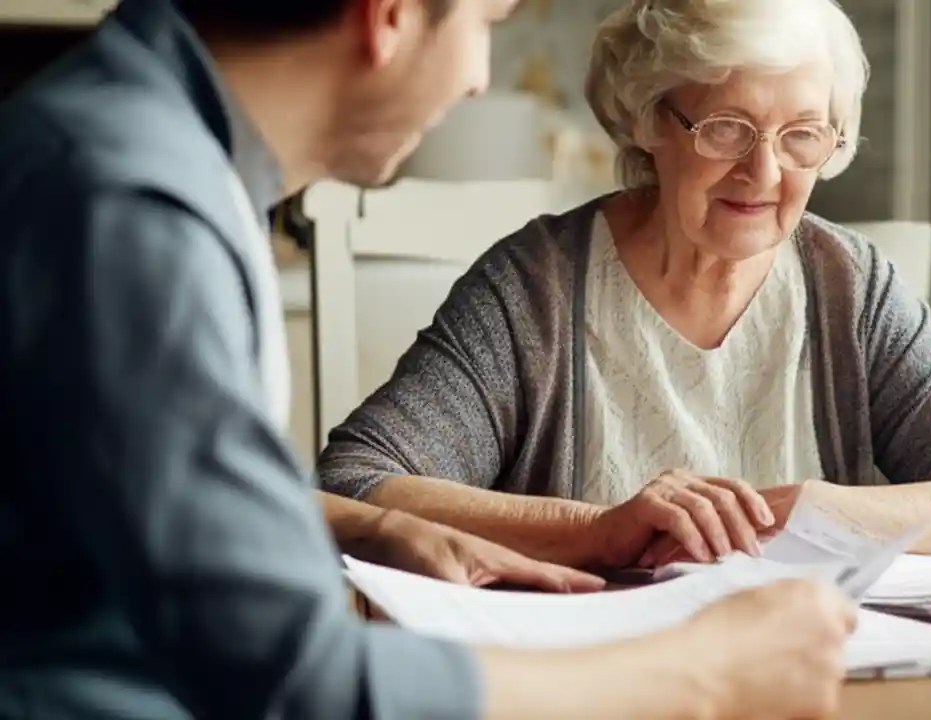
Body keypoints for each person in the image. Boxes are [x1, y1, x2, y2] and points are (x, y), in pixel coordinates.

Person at [0, 0, 857, 718]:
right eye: (484, 21)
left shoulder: (139, 144)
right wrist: (702, 672)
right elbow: (304, 683)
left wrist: (377, 524)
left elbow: (139, 506)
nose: (481, 76)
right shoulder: (132, 212)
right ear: (392, 16)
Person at [318, 0, 931, 571]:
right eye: (726, 127)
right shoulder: (535, 289)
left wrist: (825, 513)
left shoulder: (852, 289)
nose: (765, 172)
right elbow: (354, 486)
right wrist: (593, 530)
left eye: (803, 135)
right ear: (649, 119)